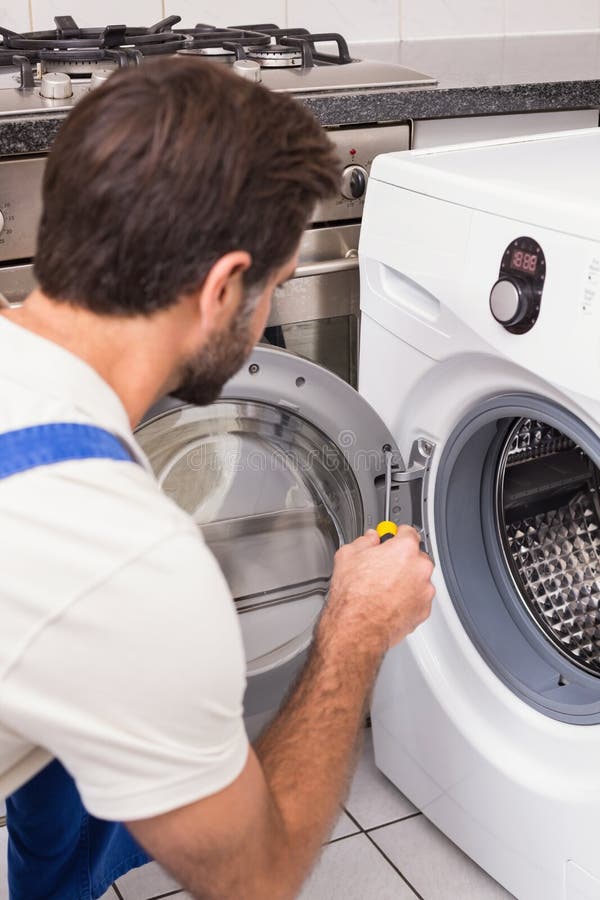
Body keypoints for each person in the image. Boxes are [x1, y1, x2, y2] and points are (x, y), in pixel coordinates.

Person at [0, 57, 434, 900]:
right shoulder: (128, 561)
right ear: (224, 286)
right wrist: (351, 632)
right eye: (274, 286)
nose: (267, 312)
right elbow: (254, 878)